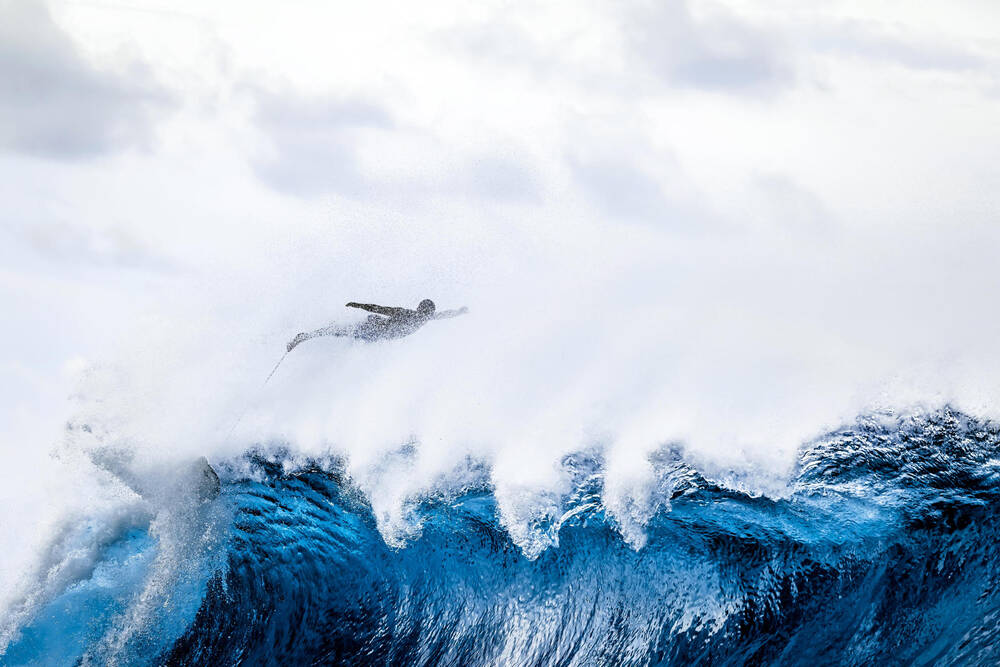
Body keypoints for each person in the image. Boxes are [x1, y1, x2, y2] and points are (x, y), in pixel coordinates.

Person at [287, 299, 468, 351]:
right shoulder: (407, 314)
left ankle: (308, 338)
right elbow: (380, 308)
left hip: (377, 335)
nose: (425, 316)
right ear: (419, 309)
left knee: (341, 334)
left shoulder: (425, 318)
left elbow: (444, 315)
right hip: (373, 328)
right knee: (338, 330)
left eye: (427, 313)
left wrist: (459, 312)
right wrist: (359, 305)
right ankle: (304, 337)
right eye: (424, 312)